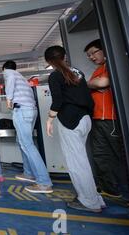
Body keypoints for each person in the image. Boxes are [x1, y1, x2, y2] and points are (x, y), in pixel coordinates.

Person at [45, 46, 106, 213]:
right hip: (85, 119)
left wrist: (50, 119)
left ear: (49, 62)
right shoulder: (77, 72)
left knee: (77, 163)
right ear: (64, 56)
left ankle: (89, 202)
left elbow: (57, 102)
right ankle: (94, 198)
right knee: (83, 161)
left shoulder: (56, 75)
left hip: (70, 121)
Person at [84, 39, 129, 200]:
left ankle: (125, 189)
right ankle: (108, 188)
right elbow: (96, 84)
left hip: (111, 118)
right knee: (100, 154)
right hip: (97, 117)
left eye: (93, 53)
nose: (91, 57)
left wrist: (92, 84)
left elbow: (103, 82)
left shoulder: (112, 65)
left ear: (104, 50)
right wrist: (93, 84)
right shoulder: (98, 70)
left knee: (116, 155)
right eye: (88, 55)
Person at [2, 60, 53, 194]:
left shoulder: (10, 73)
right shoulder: (22, 78)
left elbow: (10, 81)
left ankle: (44, 182)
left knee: (27, 145)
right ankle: (29, 173)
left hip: (22, 111)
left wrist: (8, 100)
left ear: (4, 69)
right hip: (30, 110)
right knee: (22, 142)